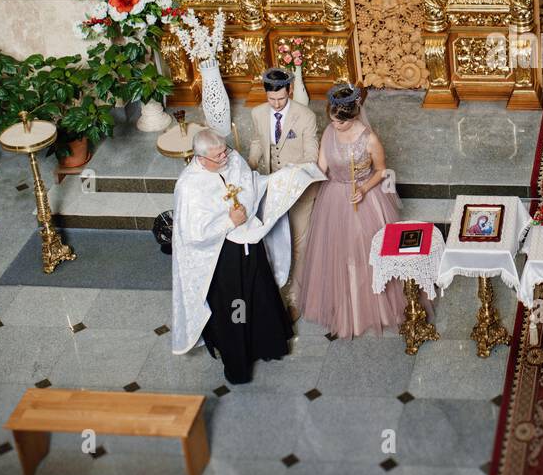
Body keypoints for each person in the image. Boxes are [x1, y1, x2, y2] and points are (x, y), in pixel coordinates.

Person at [170, 129, 296, 384]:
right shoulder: (189, 187)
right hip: (221, 256)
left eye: (224, 150)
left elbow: (249, 183)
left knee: (260, 293)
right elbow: (193, 234)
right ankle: (238, 362)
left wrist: (271, 188)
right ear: (202, 158)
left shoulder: (232, 158)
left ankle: (268, 346)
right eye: (218, 156)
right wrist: (228, 222)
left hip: (250, 242)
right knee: (234, 306)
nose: (225, 157)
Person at [296, 82, 413, 338]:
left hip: (364, 197)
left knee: (364, 254)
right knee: (338, 254)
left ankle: (370, 310)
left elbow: (381, 170)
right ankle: (343, 311)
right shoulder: (329, 132)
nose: (336, 126)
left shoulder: (369, 138)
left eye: (341, 122)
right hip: (334, 197)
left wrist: (363, 188)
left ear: (354, 115)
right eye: (333, 121)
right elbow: (322, 168)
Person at [248, 68, 319, 320]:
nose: (276, 104)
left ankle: (296, 297)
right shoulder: (257, 113)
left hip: (299, 189)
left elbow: (311, 154)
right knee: (273, 239)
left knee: (299, 243)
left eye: (281, 98)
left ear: (289, 90)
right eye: (271, 99)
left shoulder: (306, 116)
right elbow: (257, 141)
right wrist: (251, 162)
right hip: (271, 188)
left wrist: (289, 174)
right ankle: (273, 288)